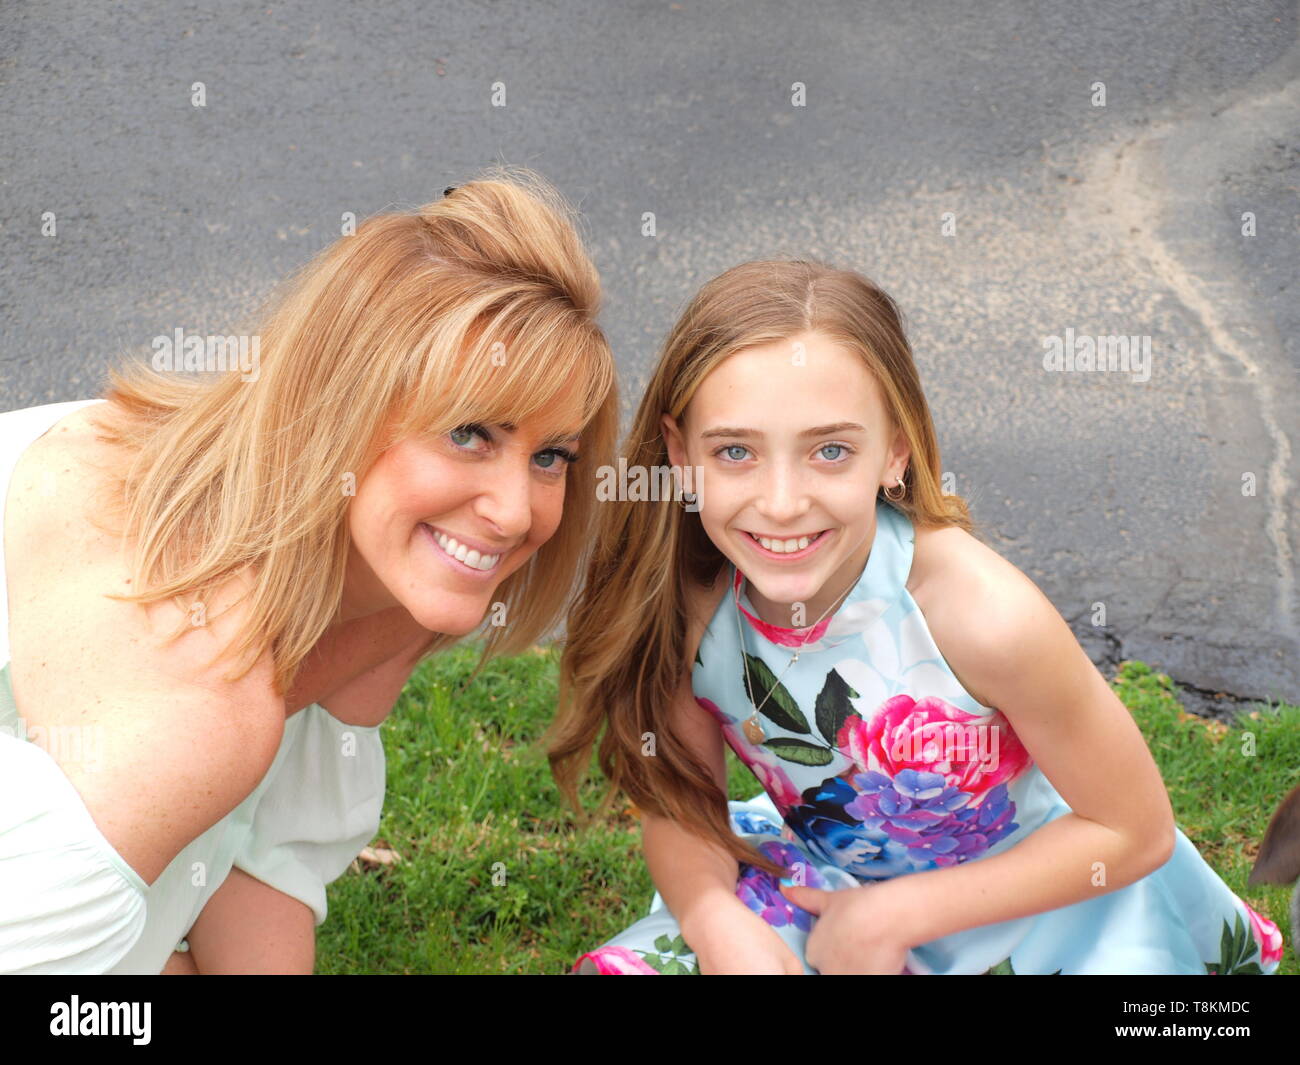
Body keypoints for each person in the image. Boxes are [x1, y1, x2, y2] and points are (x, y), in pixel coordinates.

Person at [549, 259, 1284, 975]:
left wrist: (893, 917)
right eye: (735, 450)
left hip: (1037, 902)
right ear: (680, 454)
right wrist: (716, 922)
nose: (780, 501)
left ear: (894, 450)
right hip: (828, 888)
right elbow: (686, 805)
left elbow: (1134, 828)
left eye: (830, 450)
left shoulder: (983, 616)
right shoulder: (693, 605)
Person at [0, 168, 618, 974]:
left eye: (550, 456)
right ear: (339, 405)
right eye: (469, 432)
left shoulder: (391, 577)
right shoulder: (194, 697)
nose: (512, 510)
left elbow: (265, 868)